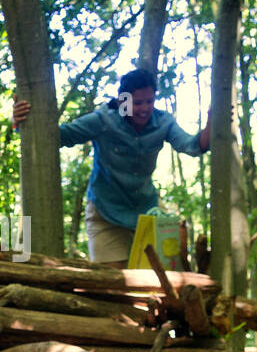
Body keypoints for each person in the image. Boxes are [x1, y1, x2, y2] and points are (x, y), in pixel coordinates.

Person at [13, 68, 210, 266]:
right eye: (137, 102)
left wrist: (212, 124)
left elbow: (192, 146)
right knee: (112, 281)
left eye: (149, 101)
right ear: (123, 100)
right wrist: (20, 123)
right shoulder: (104, 120)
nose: (144, 108)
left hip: (146, 210)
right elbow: (59, 136)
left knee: (159, 276)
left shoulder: (163, 122)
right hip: (106, 212)